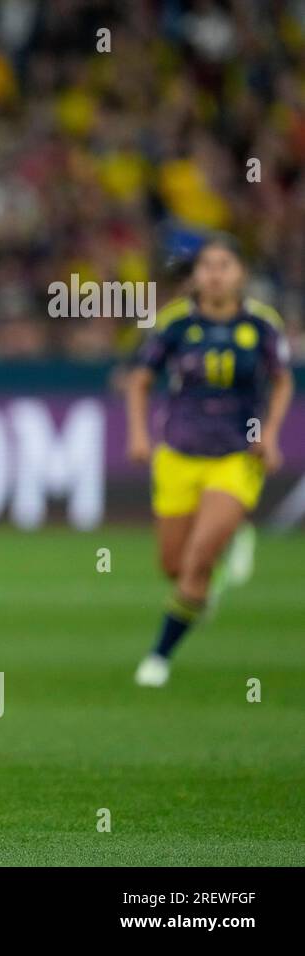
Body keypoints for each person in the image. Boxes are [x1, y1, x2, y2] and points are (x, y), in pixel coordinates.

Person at [126, 234, 293, 687]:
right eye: (207, 266)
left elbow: (282, 381)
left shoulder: (261, 325)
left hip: (234, 455)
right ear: (196, 275)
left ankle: (158, 657)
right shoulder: (175, 324)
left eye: (224, 265)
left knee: (198, 560)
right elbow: (140, 379)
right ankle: (228, 542)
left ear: (240, 274)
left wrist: (271, 434)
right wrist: (139, 434)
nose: (215, 274)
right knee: (175, 568)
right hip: (178, 454)